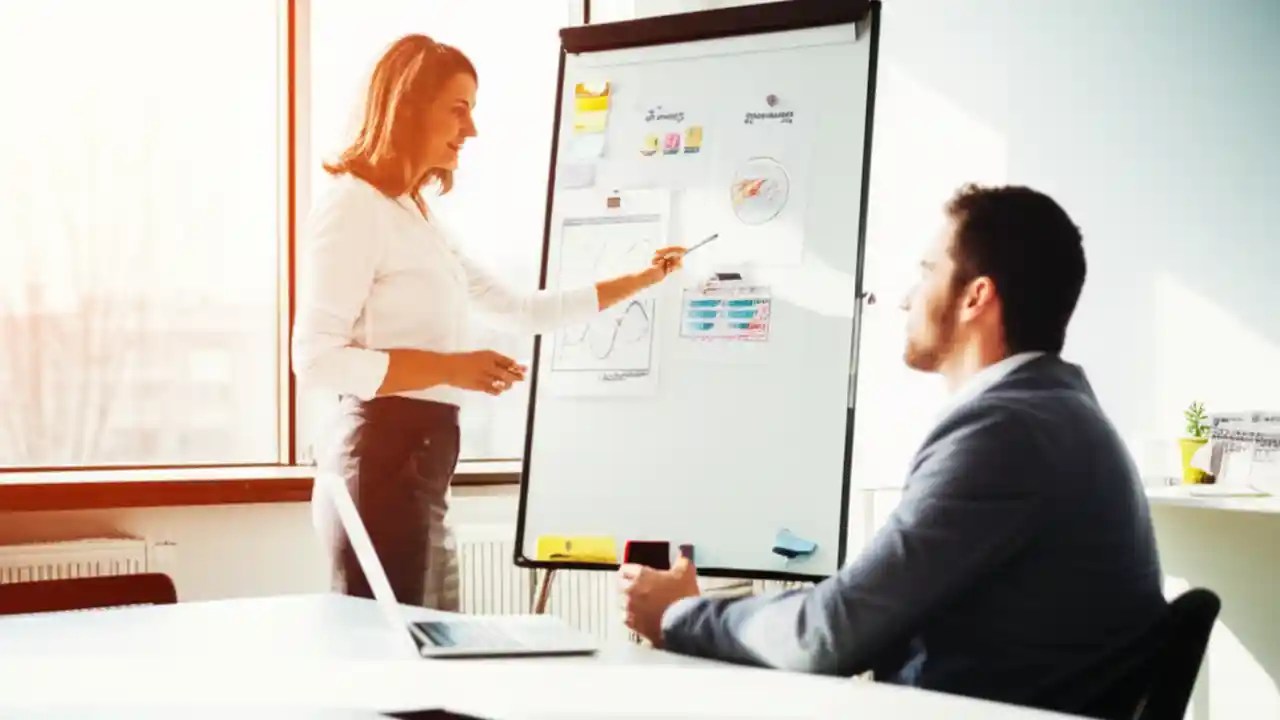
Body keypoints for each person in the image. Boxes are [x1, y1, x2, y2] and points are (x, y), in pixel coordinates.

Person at [618, 184, 1166, 715]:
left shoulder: (1006, 431)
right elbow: (860, 624)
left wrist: (680, 614)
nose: (906, 297)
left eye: (927, 272)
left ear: (976, 296)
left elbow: (827, 635)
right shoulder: (1056, 412)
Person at [293, 34, 684, 610]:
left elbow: (522, 308)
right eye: (458, 109)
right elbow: (317, 357)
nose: (470, 130)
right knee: (392, 666)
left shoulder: (415, 215)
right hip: (378, 462)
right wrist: (455, 369)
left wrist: (641, 279)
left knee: (430, 655)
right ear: (406, 106)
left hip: (418, 464)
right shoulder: (352, 205)